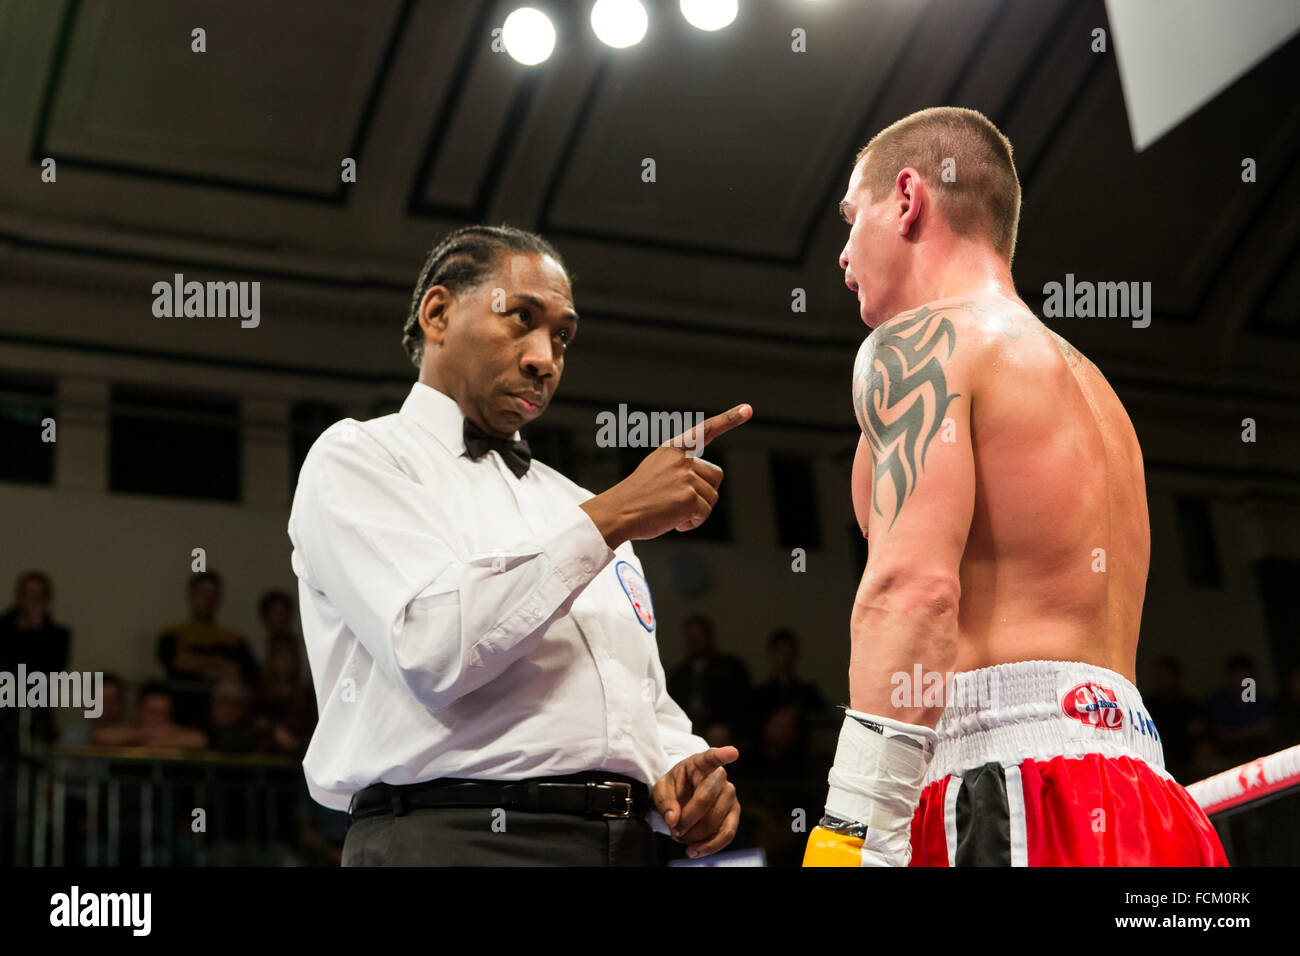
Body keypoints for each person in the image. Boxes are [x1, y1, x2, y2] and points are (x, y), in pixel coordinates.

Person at [802, 107, 1225, 866]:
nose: (840, 254)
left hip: (1008, 795)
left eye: (849, 217)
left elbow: (911, 592)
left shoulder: (914, 348)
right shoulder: (1093, 387)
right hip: (1150, 800)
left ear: (906, 198)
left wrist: (851, 834)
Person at [289, 224, 750, 865]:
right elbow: (433, 649)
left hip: (627, 844)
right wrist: (612, 515)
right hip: (453, 838)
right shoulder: (360, 458)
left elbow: (637, 696)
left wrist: (679, 766)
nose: (545, 358)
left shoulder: (576, 503)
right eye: (521, 319)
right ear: (439, 313)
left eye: (561, 335)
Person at [156, 571, 259, 728]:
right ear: (191, 596)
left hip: (225, 720)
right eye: (202, 594)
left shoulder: (235, 639)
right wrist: (220, 665)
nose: (206, 600)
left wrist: (196, 663)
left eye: (212, 595)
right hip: (181, 713)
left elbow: (239, 673)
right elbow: (177, 661)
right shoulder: (172, 634)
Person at [0, 570, 72, 748]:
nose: (31, 602)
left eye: (38, 597)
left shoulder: (57, 636)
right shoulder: (2, 630)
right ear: (17, 597)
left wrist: (37, 628)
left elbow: (54, 669)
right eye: (28, 596)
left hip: (37, 713)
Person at [667, 614, 753, 736]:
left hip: (721, 727)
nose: (694, 641)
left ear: (709, 636)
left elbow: (742, 704)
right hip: (686, 727)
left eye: (698, 635)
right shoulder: (679, 674)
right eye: (690, 637)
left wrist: (713, 714)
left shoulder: (730, 667)